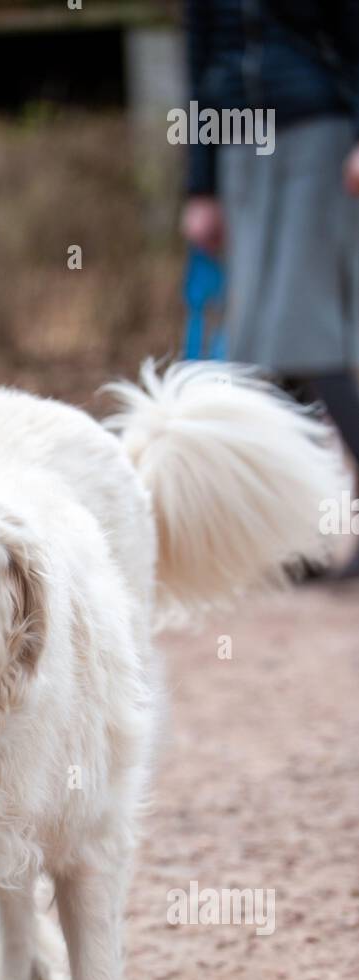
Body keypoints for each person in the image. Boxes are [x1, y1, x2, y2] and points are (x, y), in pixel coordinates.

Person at [182, 0, 359, 576]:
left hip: (320, 133)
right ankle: (298, 540)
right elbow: (198, 60)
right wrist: (200, 185)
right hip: (238, 139)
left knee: (304, 330)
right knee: (261, 343)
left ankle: (301, 540)